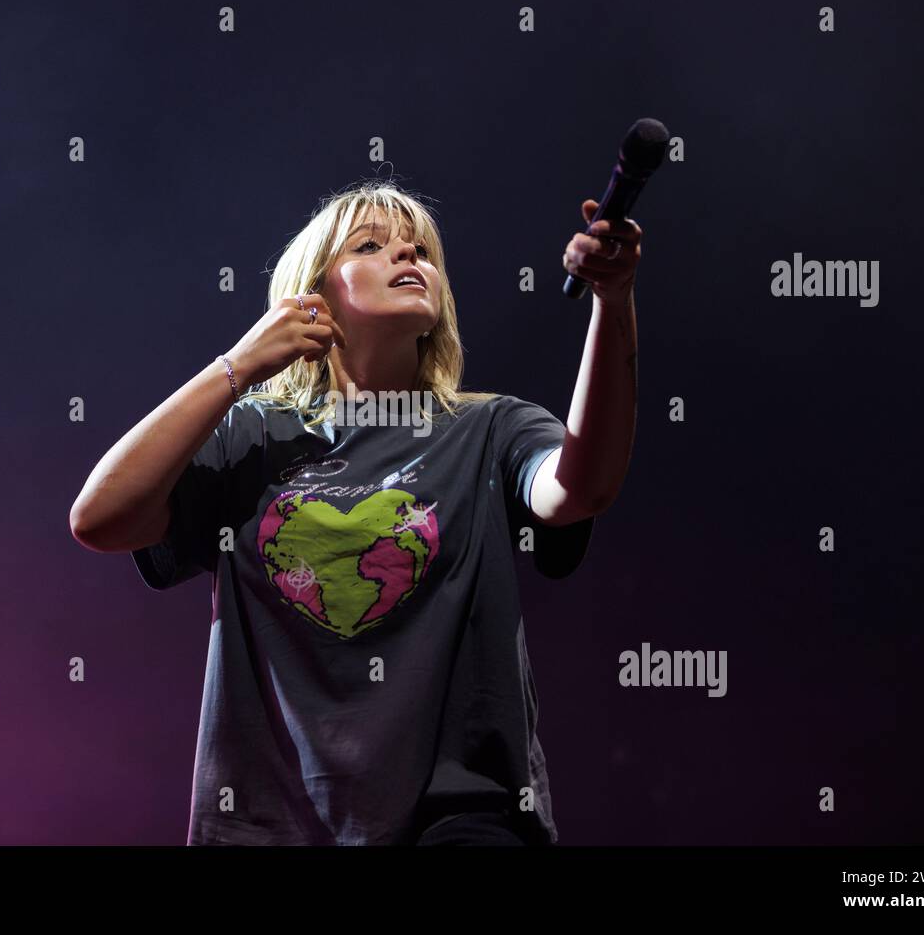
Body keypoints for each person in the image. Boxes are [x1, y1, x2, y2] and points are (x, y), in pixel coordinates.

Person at [69, 179, 642, 845]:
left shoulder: (491, 427)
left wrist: (614, 299)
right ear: (311, 295)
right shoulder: (249, 436)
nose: (409, 258)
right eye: (372, 245)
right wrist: (239, 366)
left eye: (422, 251)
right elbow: (98, 520)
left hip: (463, 821)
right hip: (268, 825)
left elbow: (580, 488)